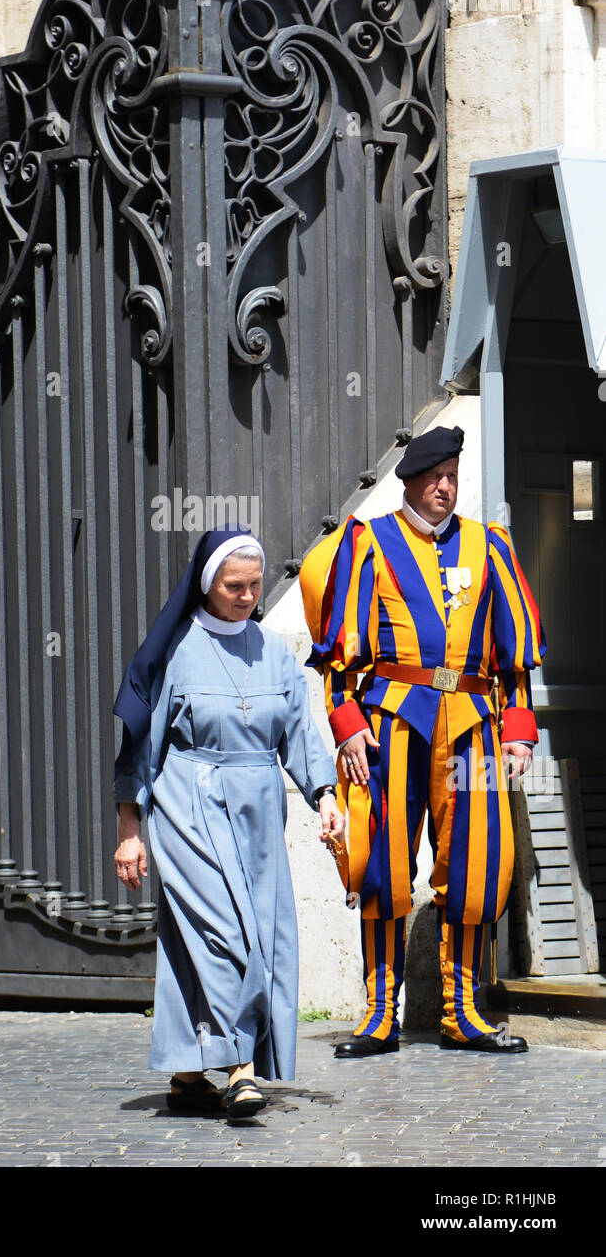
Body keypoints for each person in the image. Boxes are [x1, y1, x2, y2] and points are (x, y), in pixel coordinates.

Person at [298, 425, 546, 1056]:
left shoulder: (488, 546)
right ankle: (380, 1013)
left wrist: (517, 733)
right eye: (434, 477)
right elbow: (338, 658)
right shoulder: (370, 542)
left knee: (477, 866)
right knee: (381, 864)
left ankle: (461, 1012)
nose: (445, 487)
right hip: (386, 728)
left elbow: (513, 658)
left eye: (453, 477)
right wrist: (348, 727)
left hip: (474, 727)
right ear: (407, 480)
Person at [113, 527, 341, 1117]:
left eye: (253, 585)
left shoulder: (274, 651)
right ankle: (242, 1067)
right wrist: (129, 832)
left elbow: (299, 733)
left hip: (260, 810)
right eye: (231, 585)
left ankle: (188, 1076)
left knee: (223, 939)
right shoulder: (176, 651)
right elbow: (141, 747)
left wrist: (326, 798)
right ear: (205, 584)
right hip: (189, 802)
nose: (244, 596)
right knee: (225, 935)